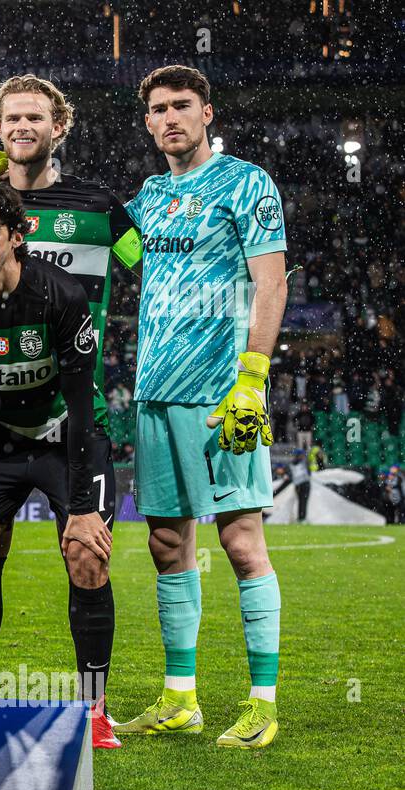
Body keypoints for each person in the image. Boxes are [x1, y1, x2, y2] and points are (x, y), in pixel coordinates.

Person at [114, 65, 288, 749]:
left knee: (242, 544)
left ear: (207, 112)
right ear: (148, 122)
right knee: (166, 544)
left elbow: (269, 283)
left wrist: (253, 376)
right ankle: (181, 697)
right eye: (157, 109)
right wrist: (19, 193)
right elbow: (109, 250)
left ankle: (261, 702)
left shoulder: (247, 183)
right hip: (154, 390)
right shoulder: (150, 197)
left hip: (222, 395)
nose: (169, 118)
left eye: (181, 105)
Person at [0, 180, 119, 749]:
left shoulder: (60, 296)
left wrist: (83, 510)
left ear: (16, 235)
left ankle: (94, 708)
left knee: (86, 553)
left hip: (65, 440)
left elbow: (84, 410)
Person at [0, 74, 140, 701]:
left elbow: (153, 264)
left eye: (35, 118)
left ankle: (95, 708)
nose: (23, 128)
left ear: (59, 126)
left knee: (87, 556)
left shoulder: (100, 210)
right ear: (0, 130)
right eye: (12, 119)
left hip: (75, 419)